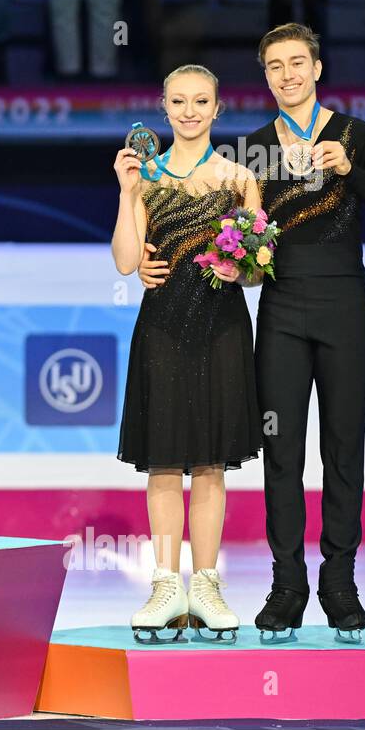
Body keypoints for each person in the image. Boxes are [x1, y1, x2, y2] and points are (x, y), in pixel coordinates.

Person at [139, 24, 365, 642]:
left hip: (345, 304)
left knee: (344, 448)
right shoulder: (252, 152)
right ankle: (287, 586)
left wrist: (354, 171)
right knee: (282, 452)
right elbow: (221, 238)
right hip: (281, 310)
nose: (287, 74)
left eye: (298, 63)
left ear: (318, 68)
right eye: (274, 66)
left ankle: (339, 585)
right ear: (264, 77)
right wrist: (158, 263)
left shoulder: (355, 135)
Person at [112, 64, 262, 643]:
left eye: (202, 101)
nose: (191, 110)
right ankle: (165, 585)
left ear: (218, 108)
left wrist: (239, 263)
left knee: (211, 463)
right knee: (164, 461)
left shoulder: (239, 178)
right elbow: (127, 262)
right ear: (164, 106)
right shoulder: (144, 176)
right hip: (164, 330)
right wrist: (127, 193)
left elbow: (256, 266)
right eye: (179, 101)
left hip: (222, 328)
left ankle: (205, 583)